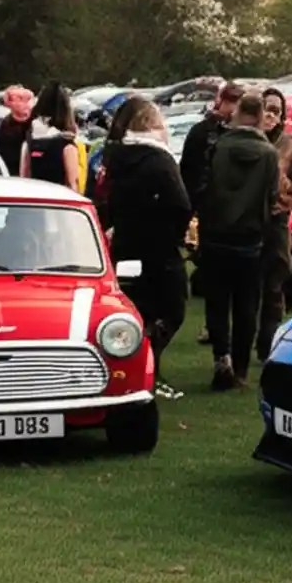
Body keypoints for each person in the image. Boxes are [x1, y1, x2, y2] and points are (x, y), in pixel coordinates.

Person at [101, 96, 191, 400]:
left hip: (126, 243)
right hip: (159, 247)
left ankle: (137, 369)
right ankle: (149, 367)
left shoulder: (116, 158)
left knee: (138, 308)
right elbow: (180, 204)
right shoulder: (159, 159)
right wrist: (176, 233)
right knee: (172, 309)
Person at [203, 92, 278, 390]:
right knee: (247, 305)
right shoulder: (270, 154)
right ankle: (242, 367)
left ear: (237, 114)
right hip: (251, 238)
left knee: (217, 301)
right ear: (260, 116)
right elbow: (272, 196)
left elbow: (207, 185)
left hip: (216, 234)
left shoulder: (219, 147)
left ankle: (222, 358)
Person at [179, 81, 243, 343]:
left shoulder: (235, 134)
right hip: (210, 210)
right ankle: (214, 327)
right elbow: (189, 171)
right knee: (214, 274)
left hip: (228, 211)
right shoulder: (203, 132)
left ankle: (222, 328)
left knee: (227, 277)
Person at [256, 88, 292, 362]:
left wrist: (283, 203)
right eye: (266, 108)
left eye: (276, 110)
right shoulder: (248, 140)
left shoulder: (291, 145)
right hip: (247, 223)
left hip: (276, 223)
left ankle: (267, 344)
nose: (270, 115)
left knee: (274, 284)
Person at [21, 82, 80, 192]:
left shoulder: (30, 142)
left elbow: (24, 176)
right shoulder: (67, 145)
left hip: (34, 198)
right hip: (58, 203)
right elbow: (73, 183)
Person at [0, 85, 34, 176]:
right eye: (19, 99)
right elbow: (1, 150)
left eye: (26, 99)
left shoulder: (36, 123)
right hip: (12, 172)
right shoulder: (6, 124)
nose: (24, 103)